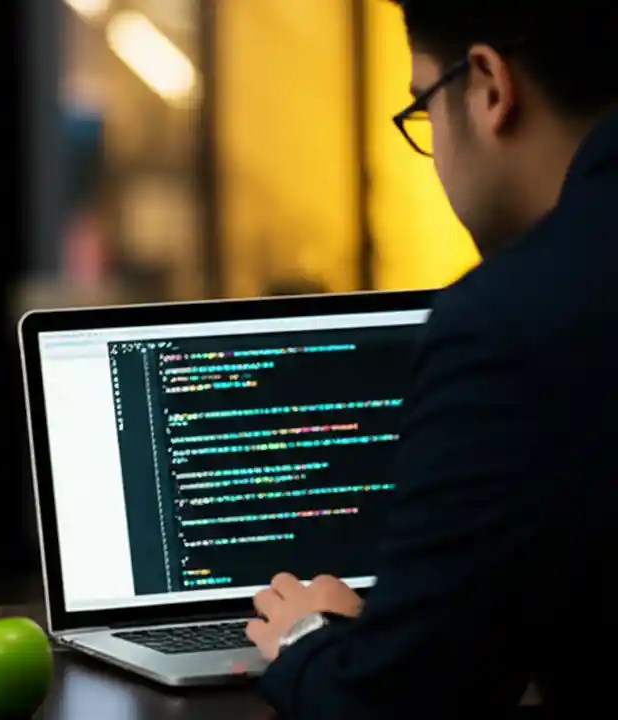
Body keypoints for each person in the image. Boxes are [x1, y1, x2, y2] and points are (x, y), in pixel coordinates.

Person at [243, 1, 618, 717]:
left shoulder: (508, 324)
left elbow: (395, 701)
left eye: (423, 106)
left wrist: (308, 636)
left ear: (488, 88)